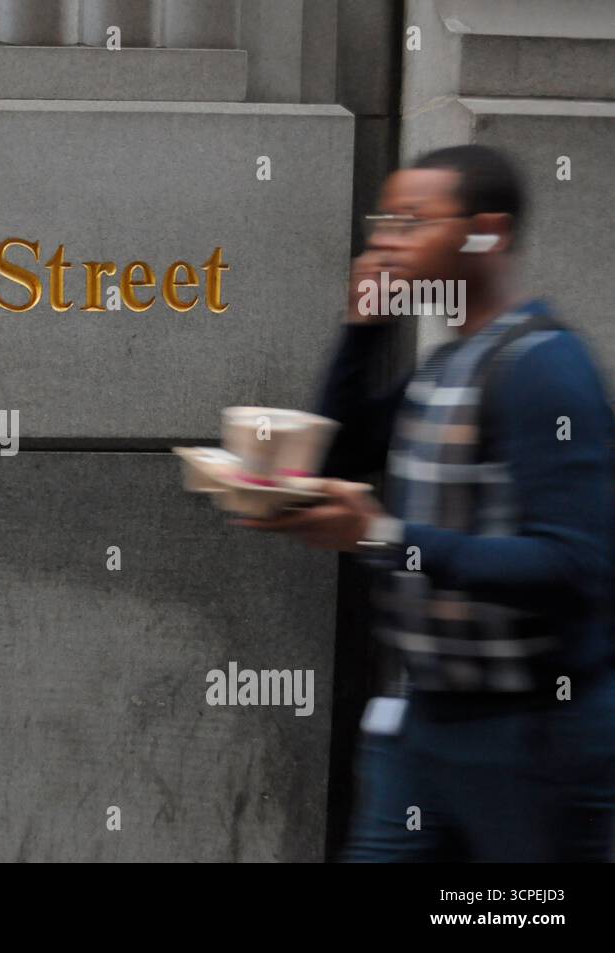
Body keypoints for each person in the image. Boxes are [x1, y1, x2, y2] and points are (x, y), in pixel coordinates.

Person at [240, 145, 615, 861]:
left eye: (412, 221)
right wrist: (365, 329)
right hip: (426, 731)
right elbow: (332, 458)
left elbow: (574, 566)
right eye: (385, 220)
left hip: (536, 740)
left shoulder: (545, 369)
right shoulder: (445, 365)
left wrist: (383, 536)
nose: (385, 238)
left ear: (487, 234)